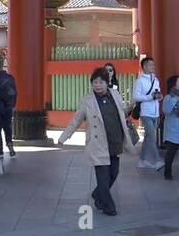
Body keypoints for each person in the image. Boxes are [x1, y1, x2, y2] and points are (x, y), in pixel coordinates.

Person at [58, 68, 139, 215]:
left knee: (113, 174)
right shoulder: (87, 100)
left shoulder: (115, 94)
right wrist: (64, 137)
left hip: (115, 141)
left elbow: (122, 112)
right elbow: (76, 120)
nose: (98, 85)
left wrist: (131, 104)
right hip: (98, 144)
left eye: (101, 82)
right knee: (103, 177)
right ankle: (109, 206)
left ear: (107, 83)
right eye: (95, 82)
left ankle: (97, 194)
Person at [132, 56, 164, 170]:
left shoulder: (156, 80)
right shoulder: (139, 81)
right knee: (151, 136)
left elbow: (157, 93)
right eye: (150, 65)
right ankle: (157, 160)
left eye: (153, 65)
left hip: (155, 112)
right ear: (144, 66)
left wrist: (159, 97)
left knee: (148, 136)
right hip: (145, 112)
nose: (153, 67)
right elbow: (135, 97)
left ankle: (143, 160)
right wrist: (150, 97)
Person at [0, 59, 17, 158]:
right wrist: (13, 106)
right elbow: (15, 92)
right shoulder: (10, 77)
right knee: (8, 127)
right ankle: (10, 147)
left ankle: (0, 151)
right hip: (9, 107)